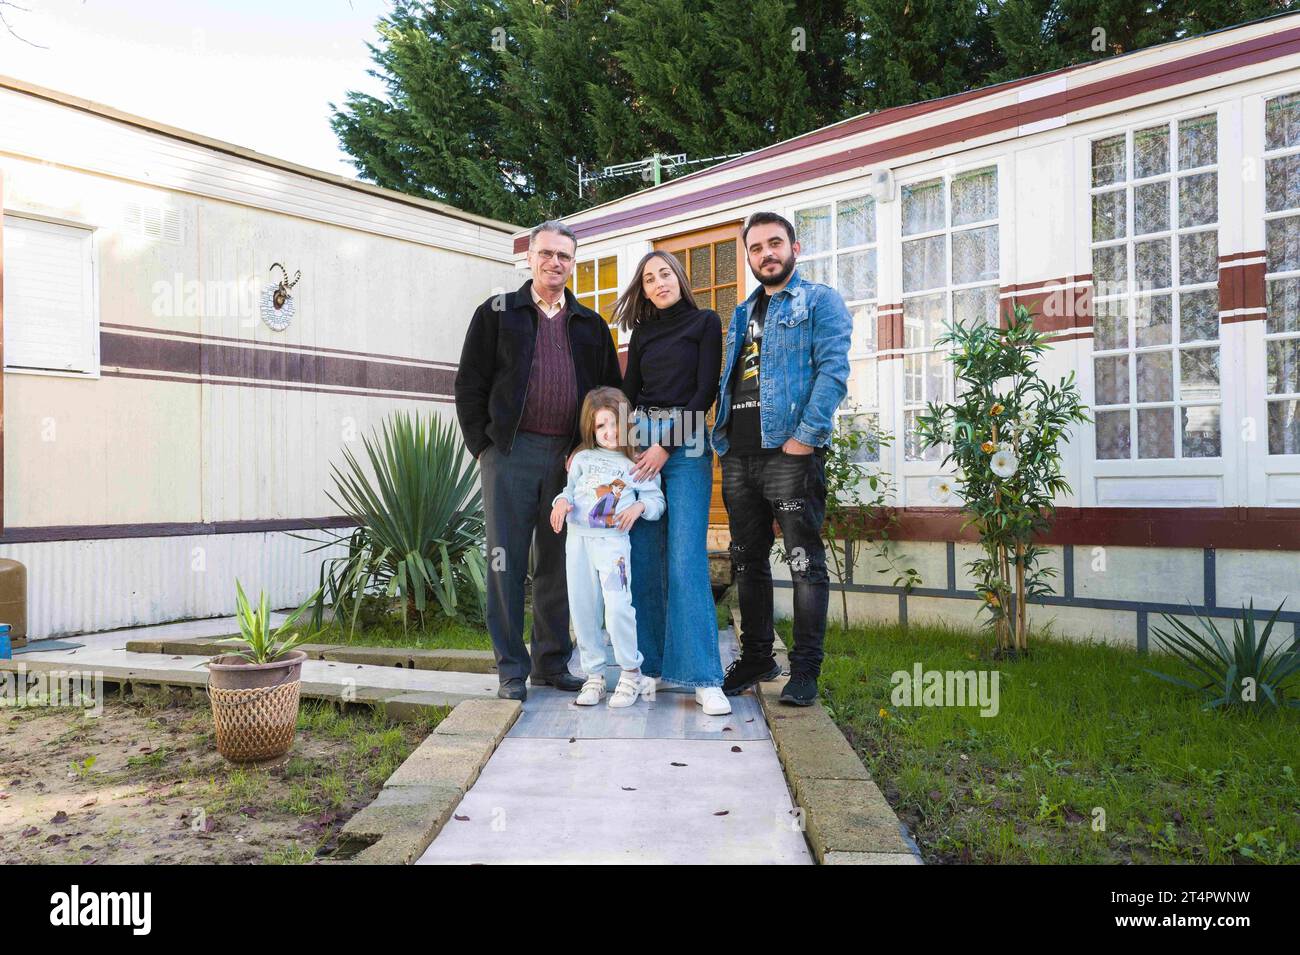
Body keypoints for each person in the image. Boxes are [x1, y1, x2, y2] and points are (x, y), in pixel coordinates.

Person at [454, 220, 622, 702]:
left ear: (574, 262)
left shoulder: (591, 325)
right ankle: (511, 667)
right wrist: (483, 447)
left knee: (559, 563)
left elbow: (610, 393)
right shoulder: (497, 313)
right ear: (528, 257)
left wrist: (588, 452)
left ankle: (550, 664)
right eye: (546, 254)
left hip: (571, 461)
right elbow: (469, 384)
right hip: (509, 453)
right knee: (504, 560)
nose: (555, 263)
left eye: (564, 257)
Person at [711, 212, 851, 706]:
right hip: (740, 455)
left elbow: (833, 372)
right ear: (748, 255)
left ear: (796, 247)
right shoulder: (742, 312)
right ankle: (757, 656)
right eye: (756, 247)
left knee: (803, 562)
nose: (766, 253)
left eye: (775, 243)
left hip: (790, 454)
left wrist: (804, 439)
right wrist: (721, 441)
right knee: (747, 562)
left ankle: (806, 670)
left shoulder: (819, 301)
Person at [616, 250, 731, 716]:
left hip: (686, 445)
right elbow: (628, 392)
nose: (659, 282)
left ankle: (704, 677)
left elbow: (704, 392)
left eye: (665, 274)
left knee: (685, 557)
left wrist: (666, 444)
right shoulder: (642, 332)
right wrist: (618, 445)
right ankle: (649, 667)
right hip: (640, 441)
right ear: (643, 290)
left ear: (680, 279)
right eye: (649, 278)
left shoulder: (705, 323)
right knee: (644, 557)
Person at [550, 387, 665, 708]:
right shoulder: (582, 459)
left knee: (617, 607)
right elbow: (568, 492)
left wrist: (638, 509)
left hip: (613, 545)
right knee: (583, 609)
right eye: (601, 426)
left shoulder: (635, 462)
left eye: (615, 424)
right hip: (579, 542)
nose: (610, 432)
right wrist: (560, 503)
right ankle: (595, 676)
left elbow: (656, 500)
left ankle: (631, 673)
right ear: (591, 428)